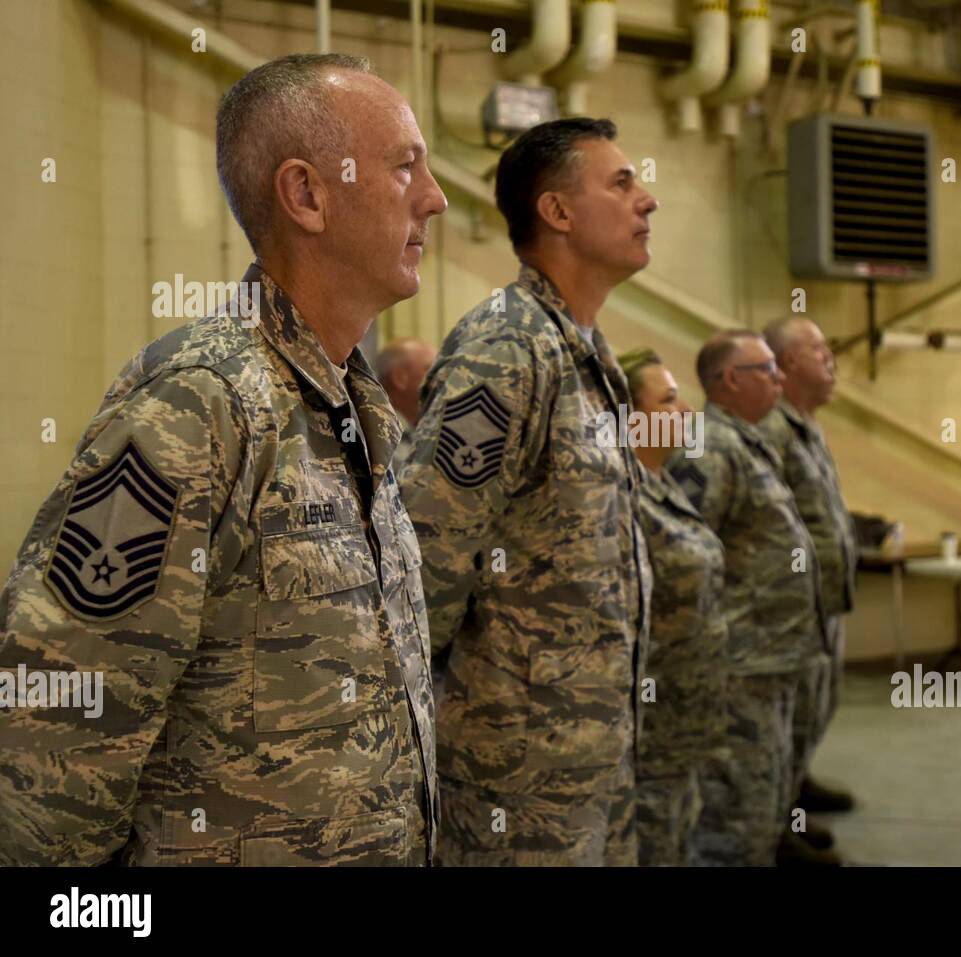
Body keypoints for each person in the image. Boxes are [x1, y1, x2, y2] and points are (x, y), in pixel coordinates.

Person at [0, 53, 446, 865]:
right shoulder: (198, 405)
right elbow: (58, 725)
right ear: (307, 194)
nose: (435, 198)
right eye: (405, 166)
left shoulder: (355, 407)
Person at [399, 118, 657, 866]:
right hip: (515, 770)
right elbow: (428, 558)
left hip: (593, 747)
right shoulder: (505, 348)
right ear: (558, 212)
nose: (648, 201)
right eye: (622, 182)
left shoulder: (585, 348)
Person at [669, 330, 826, 866]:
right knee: (735, 817)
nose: (780, 379)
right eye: (767, 370)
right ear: (731, 380)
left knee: (765, 799)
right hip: (739, 659)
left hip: (770, 655)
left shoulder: (747, 439)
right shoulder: (710, 445)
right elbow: (685, 549)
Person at [616, 348, 727, 866]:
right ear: (630, 418)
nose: (685, 412)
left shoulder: (662, 483)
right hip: (647, 734)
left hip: (684, 721)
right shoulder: (619, 498)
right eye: (669, 400)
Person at [759, 317, 857, 862]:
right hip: (791, 606)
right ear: (788, 363)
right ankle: (778, 825)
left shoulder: (806, 424)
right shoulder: (771, 428)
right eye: (818, 349)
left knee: (815, 707)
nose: (830, 358)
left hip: (824, 601)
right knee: (789, 716)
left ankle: (795, 792)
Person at [376, 337, 438, 476]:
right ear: (400, 378)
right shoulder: (378, 435)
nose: (442, 378)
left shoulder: (428, 425)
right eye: (431, 370)